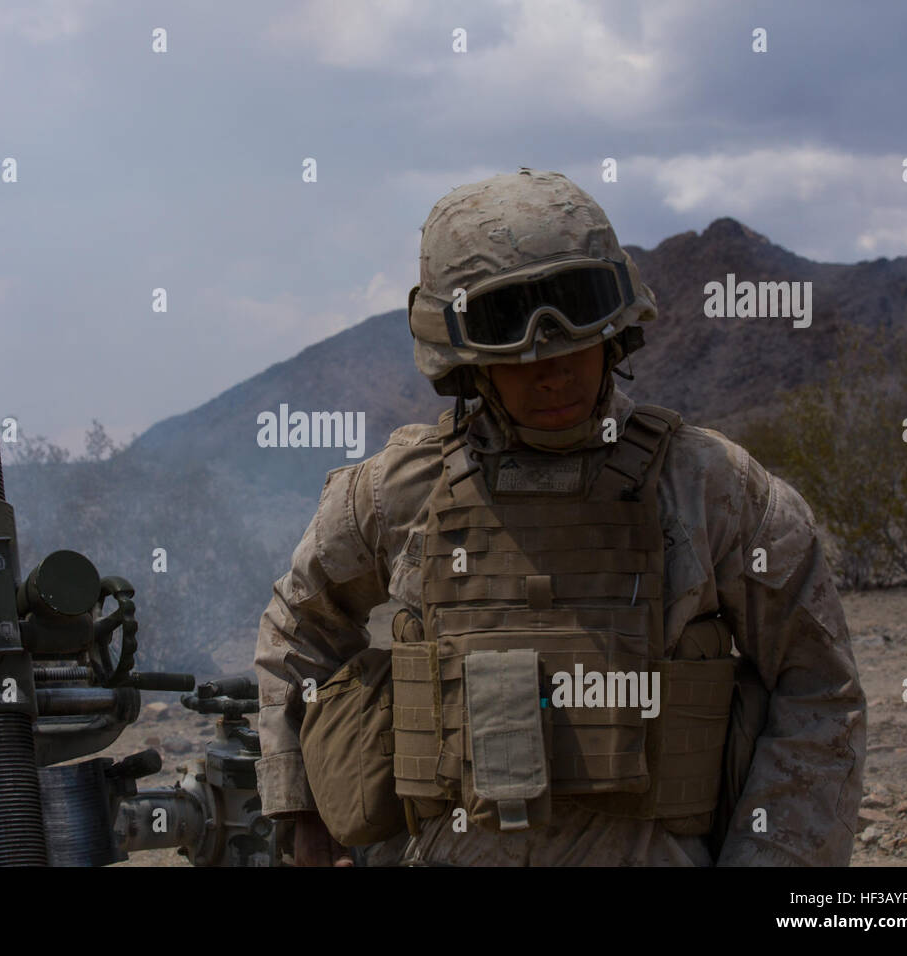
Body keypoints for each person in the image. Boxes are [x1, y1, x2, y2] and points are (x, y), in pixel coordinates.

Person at [253, 168, 866, 866]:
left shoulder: (712, 489)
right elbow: (298, 627)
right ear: (466, 359)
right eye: (513, 343)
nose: (551, 369)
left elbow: (817, 684)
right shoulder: (398, 493)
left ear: (614, 330)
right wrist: (299, 801)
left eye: (573, 328)